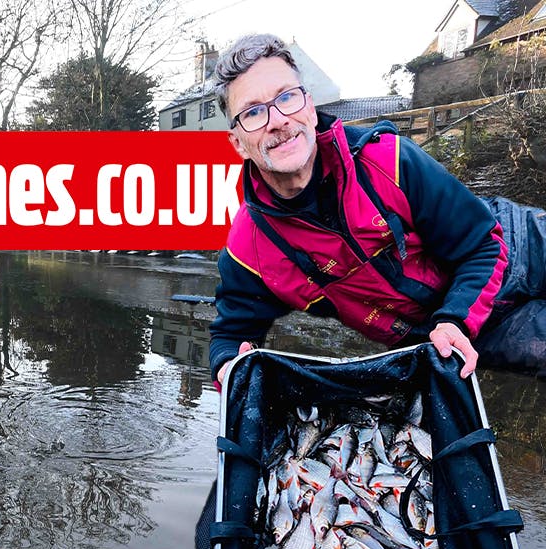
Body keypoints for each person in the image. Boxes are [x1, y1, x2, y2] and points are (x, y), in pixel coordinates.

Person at [208, 33, 546, 385]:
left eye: (287, 97)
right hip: (465, 331)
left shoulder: (391, 161)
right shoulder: (249, 250)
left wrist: (455, 319)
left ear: (309, 107)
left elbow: (483, 245)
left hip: (522, 243)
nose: (277, 120)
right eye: (253, 112)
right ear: (238, 143)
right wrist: (232, 369)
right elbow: (229, 336)